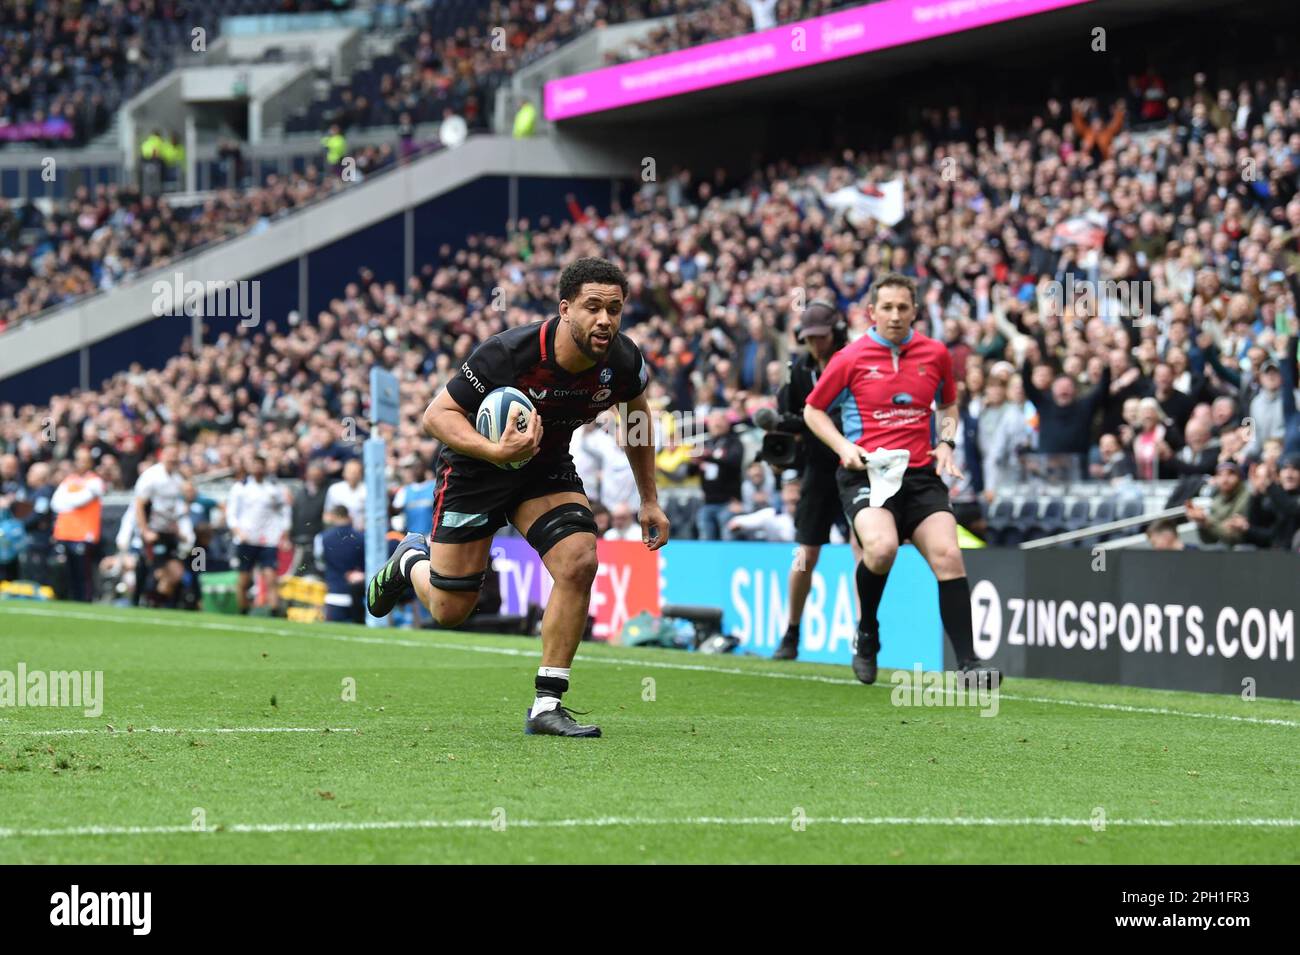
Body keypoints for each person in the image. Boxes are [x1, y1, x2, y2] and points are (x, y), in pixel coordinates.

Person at [365, 257, 669, 738]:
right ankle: (410, 562)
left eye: (614, 309)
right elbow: (437, 415)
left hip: (544, 469)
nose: (605, 320)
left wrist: (649, 498)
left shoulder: (624, 361)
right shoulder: (510, 353)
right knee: (450, 611)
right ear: (565, 309)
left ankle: (547, 704)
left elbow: (638, 419)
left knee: (579, 561)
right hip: (476, 470)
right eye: (593, 307)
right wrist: (494, 448)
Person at [803, 272, 998, 687]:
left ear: (915, 311)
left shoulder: (936, 354)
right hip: (867, 474)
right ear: (872, 312)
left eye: (902, 307)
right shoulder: (850, 358)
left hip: (921, 473)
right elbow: (813, 411)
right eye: (887, 308)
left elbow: (948, 404)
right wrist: (843, 446)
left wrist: (946, 442)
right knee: (881, 548)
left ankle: (969, 664)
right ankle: (868, 633)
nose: (895, 315)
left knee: (948, 555)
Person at [769, 301, 862, 660]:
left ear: (834, 333)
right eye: (810, 338)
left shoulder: (852, 362)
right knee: (805, 553)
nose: (817, 344)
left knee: (862, 548)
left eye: (822, 336)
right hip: (818, 470)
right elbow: (788, 419)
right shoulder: (799, 372)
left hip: (855, 465)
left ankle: (862, 631)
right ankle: (791, 631)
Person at [227, 454, 291, 615]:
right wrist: (237, 531)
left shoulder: (274, 488)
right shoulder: (240, 487)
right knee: (244, 578)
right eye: (254, 464)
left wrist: (284, 533)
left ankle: (275, 611)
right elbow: (231, 513)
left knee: (270, 576)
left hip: (268, 540)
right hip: (247, 539)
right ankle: (242, 609)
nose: (258, 468)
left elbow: (284, 510)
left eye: (261, 465)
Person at [132, 444, 188, 605]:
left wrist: (177, 528)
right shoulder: (152, 476)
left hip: (168, 532)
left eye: (175, 455)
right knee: (158, 571)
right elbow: (139, 504)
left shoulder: (177, 478)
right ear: (162, 455)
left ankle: (154, 602)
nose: (173, 458)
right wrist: (145, 530)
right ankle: (141, 599)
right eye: (170, 454)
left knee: (176, 573)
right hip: (154, 531)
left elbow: (173, 507)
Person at [51, 447, 105, 602]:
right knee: (69, 572)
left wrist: (68, 500)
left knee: (83, 573)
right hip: (66, 532)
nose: (81, 463)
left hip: (84, 534)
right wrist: (70, 501)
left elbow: (79, 501)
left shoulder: (95, 481)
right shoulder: (69, 479)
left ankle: (85, 600)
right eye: (79, 459)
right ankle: (73, 599)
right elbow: (56, 503)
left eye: (84, 460)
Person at [690, 410, 743, 540]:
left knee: (728, 538)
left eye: (721, 420)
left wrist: (708, 457)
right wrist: (694, 462)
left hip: (728, 502)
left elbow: (734, 462)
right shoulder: (704, 443)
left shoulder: (734, 442)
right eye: (714, 421)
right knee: (705, 539)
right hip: (707, 502)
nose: (717, 424)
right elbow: (690, 472)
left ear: (728, 424)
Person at [315, 505, 366, 623]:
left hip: (333, 596)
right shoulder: (361, 537)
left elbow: (320, 565)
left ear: (333, 516)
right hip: (358, 596)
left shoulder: (322, 538)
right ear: (349, 516)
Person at [325, 458, 366, 529]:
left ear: (360, 474)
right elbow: (327, 515)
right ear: (344, 473)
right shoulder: (334, 489)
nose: (353, 475)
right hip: (339, 532)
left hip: (362, 532)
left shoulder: (367, 490)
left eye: (356, 472)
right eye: (350, 472)